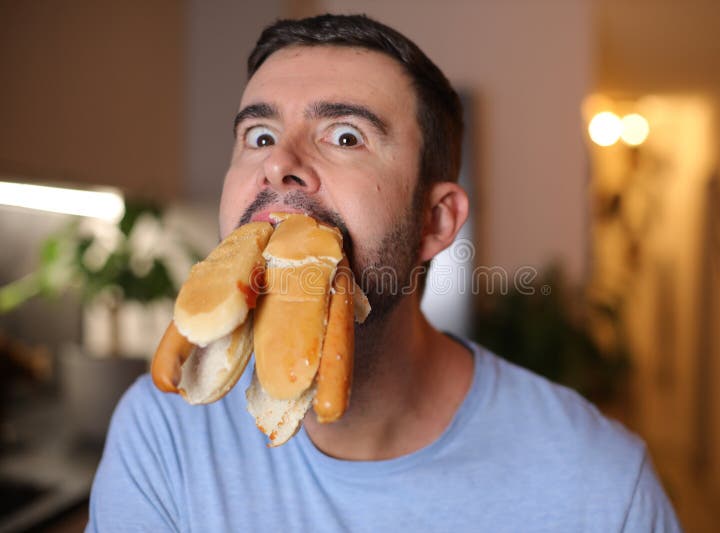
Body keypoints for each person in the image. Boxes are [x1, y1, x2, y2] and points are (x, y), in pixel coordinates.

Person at [88, 14, 682, 532]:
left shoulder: (600, 484)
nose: (279, 164)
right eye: (259, 135)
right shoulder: (162, 433)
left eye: (345, 136)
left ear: (436, 221)